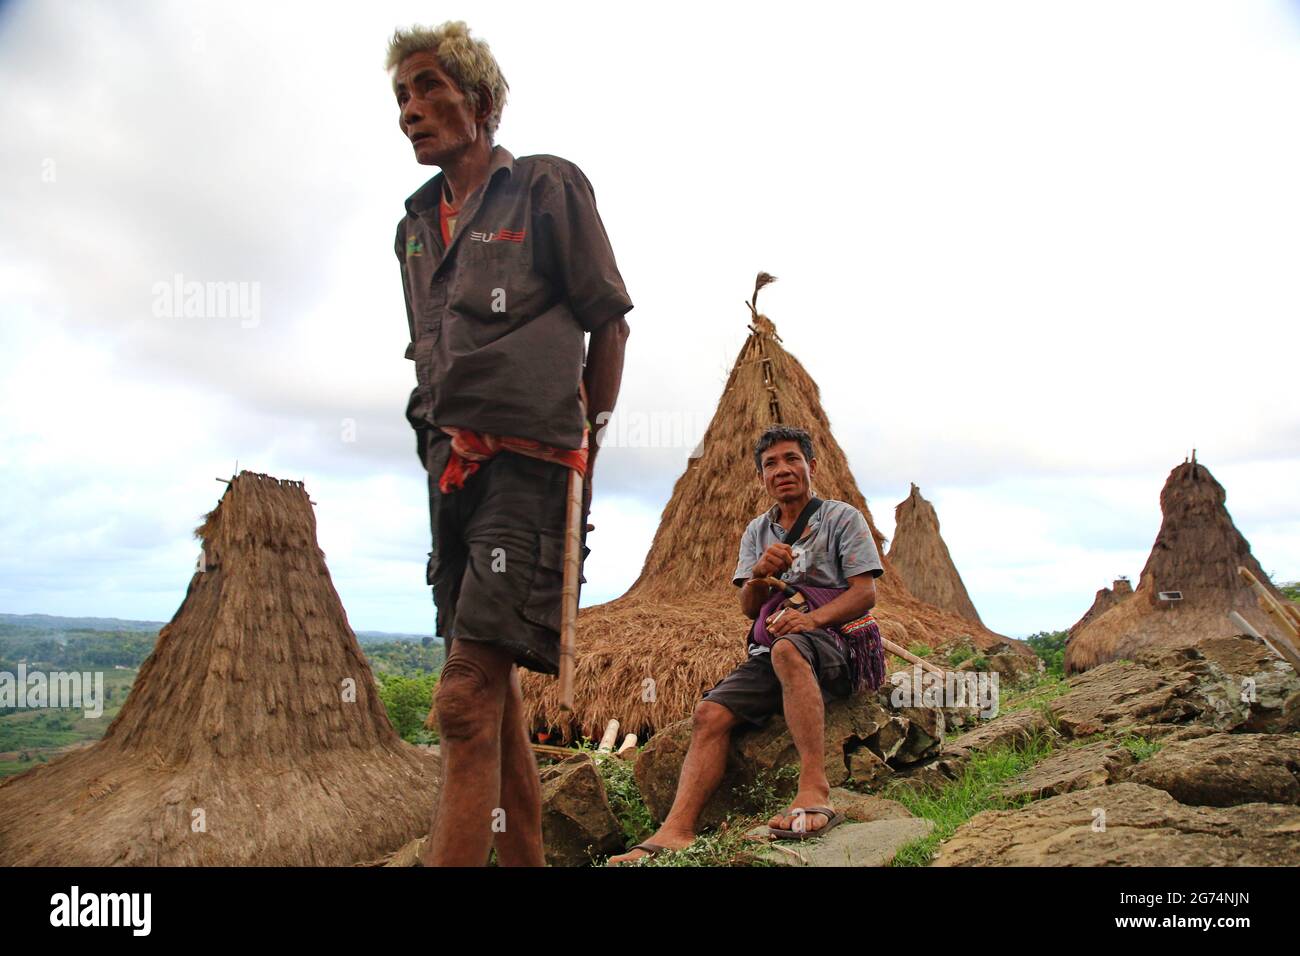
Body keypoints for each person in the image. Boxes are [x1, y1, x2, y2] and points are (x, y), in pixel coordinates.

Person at [388, 21, 632, 866]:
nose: (411, 111)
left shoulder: (545, 189)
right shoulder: (415, 227)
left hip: (534, 463)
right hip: (450, 470)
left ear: (481, 100)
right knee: (493, 704)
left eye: (427, 89)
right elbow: (429, 354)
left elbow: (610, 323)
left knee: (461, 699)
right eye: (402, 99)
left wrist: (585, 448)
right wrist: (433, 446)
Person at [608, 425, 882, 864]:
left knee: (788, 648)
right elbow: (748, 608)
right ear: (761, 478)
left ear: (811, 466)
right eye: (770, 464)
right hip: (775, 649)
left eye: (792, 459)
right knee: (709, 713)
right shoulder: (758, 530)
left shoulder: (841, 518)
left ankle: (814, 788)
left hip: (834, 642)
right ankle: (676, 830)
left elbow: (864, 593)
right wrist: (757, 576)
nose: (782, 470)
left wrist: (810, 618)